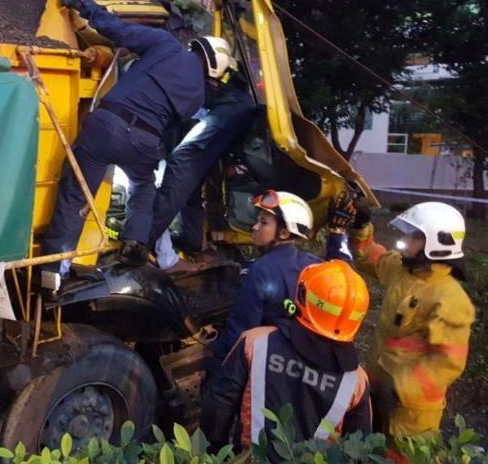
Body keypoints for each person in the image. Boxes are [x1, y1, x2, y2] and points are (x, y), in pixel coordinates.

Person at [40, 0, 233, 291]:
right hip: (144, 142)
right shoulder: (197, 95)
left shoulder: (166, 45)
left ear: (197, 46)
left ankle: (53, 270)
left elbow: (117, 30)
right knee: (143, 189)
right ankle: (135, 242)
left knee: (76, 195)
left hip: (106, 125)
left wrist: (81, 4)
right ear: (214, 70)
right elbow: (171, 123)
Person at [200, 259, 372, 461]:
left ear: (301, 297)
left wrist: (214, 454)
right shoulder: (356, 382)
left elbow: (219, 405)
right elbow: (360, 447)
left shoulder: (255, 342)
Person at [346, 200, 475, 438]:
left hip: (411, 415)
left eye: (415, 236)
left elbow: (447, 363)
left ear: (437, 243)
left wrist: (401, 390)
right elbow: (371, 256)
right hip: (377, 391)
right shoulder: (403, 271)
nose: (406, 240)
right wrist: (361, 226)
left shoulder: (450, 299)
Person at [208, 190, 354, 369]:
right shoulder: (314, 266)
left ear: (284, 233)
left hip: (267, 362)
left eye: (264, 223)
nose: (255, 227)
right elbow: (343, 274)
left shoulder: (260, 271)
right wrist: (338, 233)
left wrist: (214, 362)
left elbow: (240, 333)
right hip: (306, 362)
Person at [148, 38, 256, 257]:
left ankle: (142, 239)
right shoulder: (225, 81)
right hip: (226, 116)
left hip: (227, 115)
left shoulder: (231, 95)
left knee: (183, 161)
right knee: (190, 177)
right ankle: (191, 238)